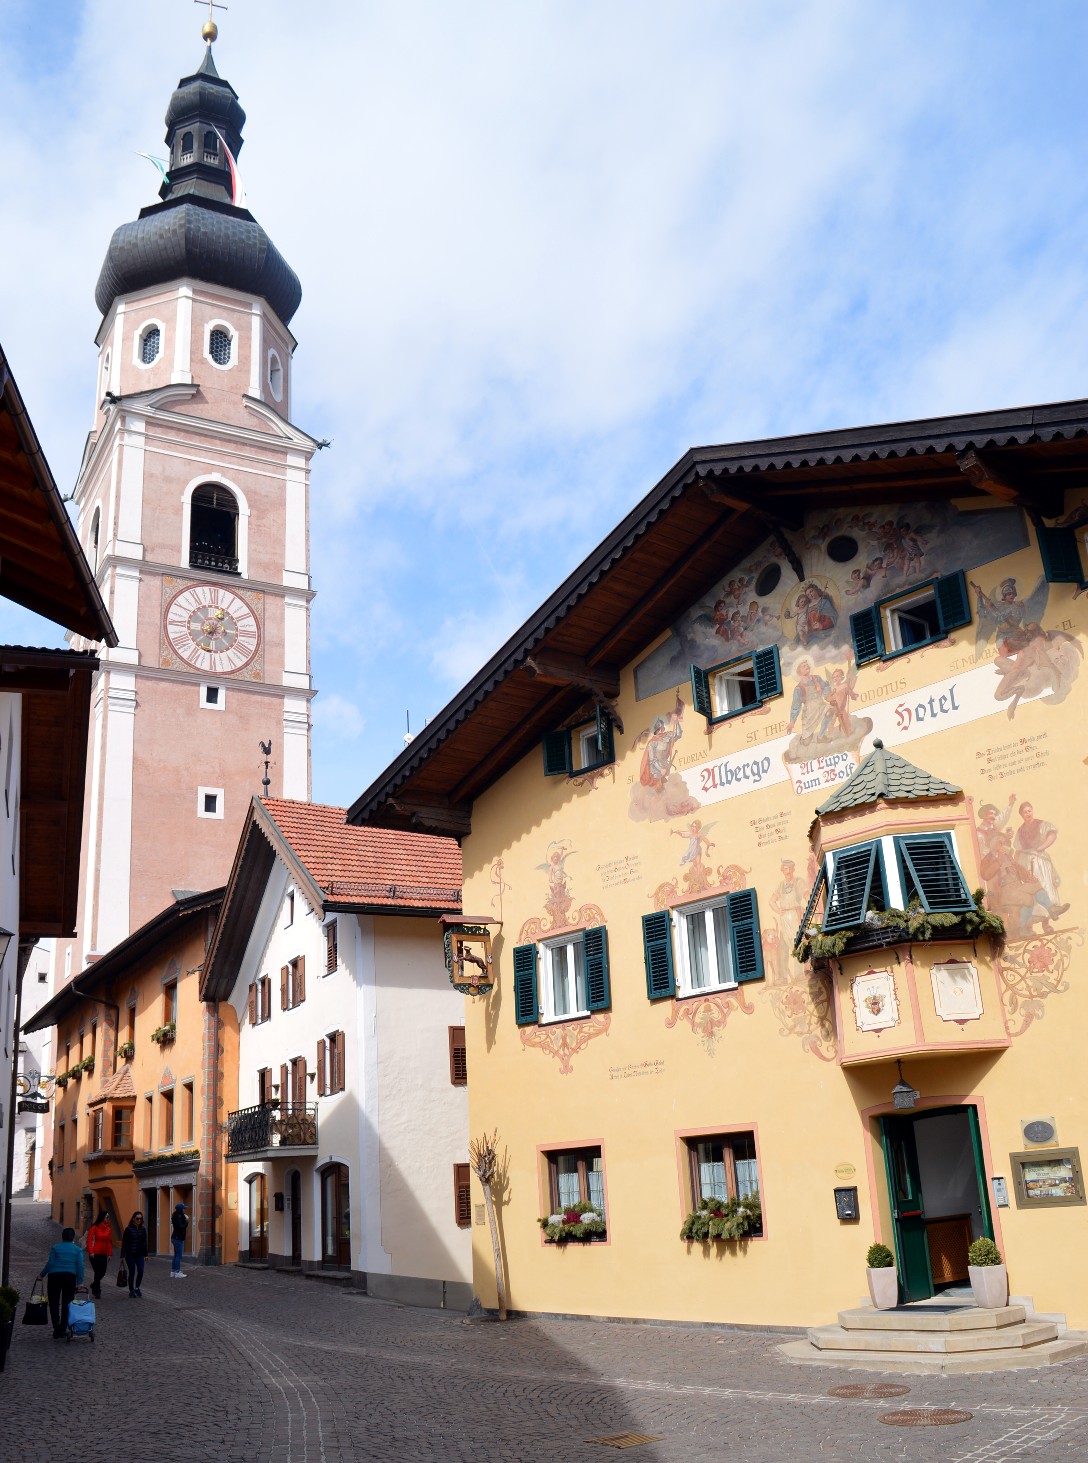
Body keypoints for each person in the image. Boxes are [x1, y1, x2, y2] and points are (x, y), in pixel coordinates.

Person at [39, 1226, 85, 1338]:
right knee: (67, 1303)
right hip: (70, 1277)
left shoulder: (56, 1248)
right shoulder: (77, 1250)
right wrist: (80, 1282)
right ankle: (63, 1328)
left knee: (54, 1302)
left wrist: (41, 1275)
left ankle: (56, 1325)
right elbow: (80, 1266)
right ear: (73, 1237)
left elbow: (50, 1263)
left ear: (62, 1237)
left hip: (54, 1276)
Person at [85, 1208, 113, 1298]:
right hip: (94, 1254)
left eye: (108, 1217)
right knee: (97, 1272)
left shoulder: (108, 1229)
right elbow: (89, 1240)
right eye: (107, 1217)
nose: (108, 1219)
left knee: (103, 1272)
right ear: (102, 1217)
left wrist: (109, 1253)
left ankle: (94, 1285)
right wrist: (91, 1252)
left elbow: (108, 1242)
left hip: (103, 1253)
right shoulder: (94, 1227)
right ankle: (97, 1291)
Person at [120, 1211, 149, 1297]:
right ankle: (131, 1290)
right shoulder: (128, 1229)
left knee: (140, 1271)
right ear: (133, 1219)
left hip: (139, 1254)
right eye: (137, 1218)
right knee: (132, 1272)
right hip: (130, 1254)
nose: (139, 1220)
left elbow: (144, 1243)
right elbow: (124, 1243)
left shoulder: (143, 1229)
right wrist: (122, 1255)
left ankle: (137, 1287)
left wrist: (146, 1254)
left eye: (140, 1218)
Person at [170, 1202, 189, 1279]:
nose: (184, 1210)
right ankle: (177, 1272)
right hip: (178, 1238)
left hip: (175, 1237)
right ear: (180, 1209)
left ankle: (173, 1271)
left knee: (176, 1255)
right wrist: (187, 1221)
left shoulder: (176, 1215)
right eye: (183, 1209)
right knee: (178, 1256)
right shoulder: (178, 1216)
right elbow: (181, 1227)